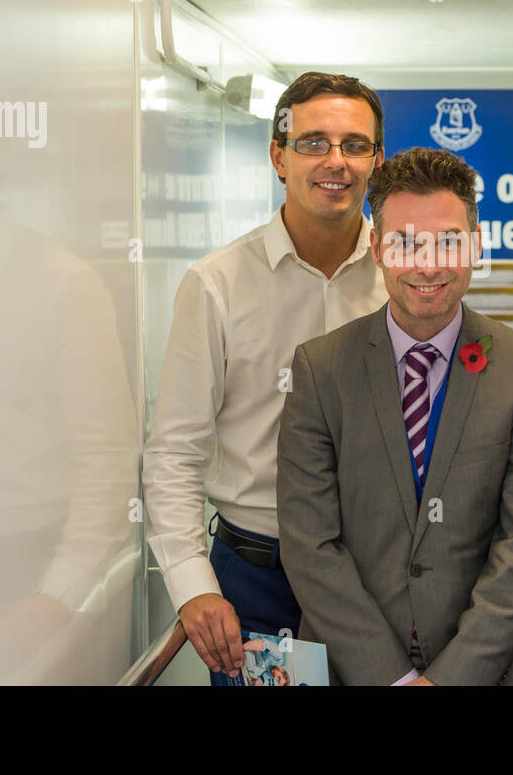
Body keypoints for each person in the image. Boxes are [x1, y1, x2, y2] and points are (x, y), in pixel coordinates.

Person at [276, 148, 513, 685]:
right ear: (377, 248)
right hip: (353, 672)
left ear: (475, 246)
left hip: (492, 673)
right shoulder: (319, 371)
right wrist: (394, 678)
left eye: (449, 241)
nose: (429, 264)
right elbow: (310, 545)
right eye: (406, 241)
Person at [142, 71, 389, 685]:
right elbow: (174, 452)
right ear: (279, 156)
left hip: (379, 576)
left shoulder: (405, 280)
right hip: (257, 586)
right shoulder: (217, 285)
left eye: (355, 144)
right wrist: (194, 588)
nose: (336, 160)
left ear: (377, 161)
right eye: (313, 142)